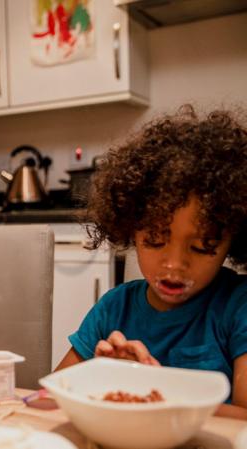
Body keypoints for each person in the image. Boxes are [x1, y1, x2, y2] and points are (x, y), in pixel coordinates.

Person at [55, 106, 247, 419]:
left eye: (201, 247)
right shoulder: (114, 309)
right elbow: (48, 399)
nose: (174, 264)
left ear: (233, 239)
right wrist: (105, 380)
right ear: (130, 228)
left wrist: (155, 391)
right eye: (156, 240)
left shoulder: (237, 308)